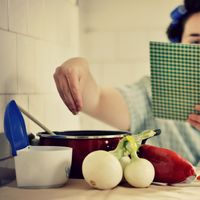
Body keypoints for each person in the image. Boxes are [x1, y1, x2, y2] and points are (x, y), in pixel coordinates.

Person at [53, 0, 200, 165]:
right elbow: (97, 100)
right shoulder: (153, 92)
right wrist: (80, 69)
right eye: (196, 42)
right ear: (178, 46)